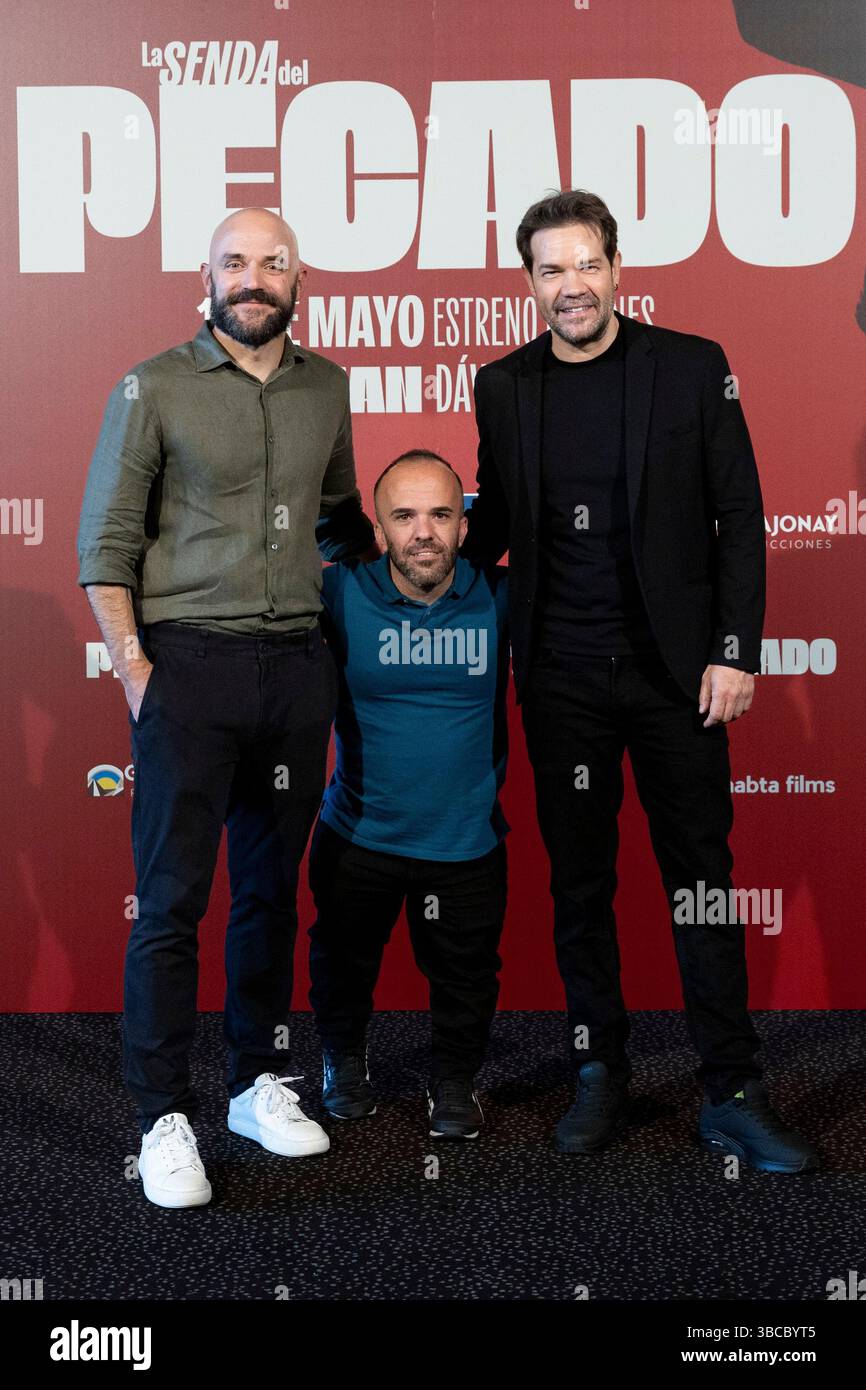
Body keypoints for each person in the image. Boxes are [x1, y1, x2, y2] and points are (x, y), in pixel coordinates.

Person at [460, 188, 819, 1173]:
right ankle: (596, 1071)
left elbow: (738, 516)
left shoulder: (693, 368)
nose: (569, 285)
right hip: (561, 678)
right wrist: (403, 546)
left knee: (700, 885)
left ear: (616, 269)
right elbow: (491, 530)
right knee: (580, 888)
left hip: (676, 680)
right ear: (528, 282)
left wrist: (734, 649)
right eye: (549, 269)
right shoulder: (502, 386)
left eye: (584, 264)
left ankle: (731, 1089)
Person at [76, 207, 377, 1207]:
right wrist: (138, 672)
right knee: (169, 904)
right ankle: (161, 1114)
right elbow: (105, 548)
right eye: (234, 262)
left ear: (299, 280)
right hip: (187, 671)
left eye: (272, 262)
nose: (254, 278)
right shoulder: (152, 386)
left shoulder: (327, 387)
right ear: (204, 280)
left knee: (267, 895)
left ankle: (254, 1085)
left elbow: (340, 523)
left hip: (294, 672)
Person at [308, 451, 510, 1139]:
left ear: (463, 524)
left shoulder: (500, 594)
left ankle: (454, 1080)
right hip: (358, 834)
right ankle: (342, 1060)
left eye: (440, 514)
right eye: (404, 516)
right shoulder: (339, 593)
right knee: (340, 966)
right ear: (381, 527)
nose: (423, 531)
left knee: (467, 977)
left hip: (466, 841)